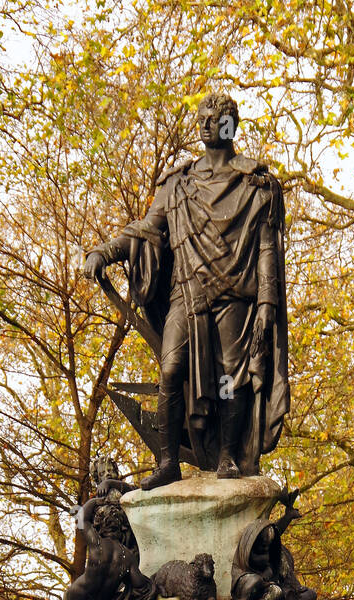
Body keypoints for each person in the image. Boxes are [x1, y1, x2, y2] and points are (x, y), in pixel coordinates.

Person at [85, 92, 289, 489]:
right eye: (202, 118)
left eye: (214, 119)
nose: (205, 124)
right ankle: (168, 462)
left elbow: (266, 248)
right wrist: (105, 252)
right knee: (171, 370)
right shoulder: (179, 184)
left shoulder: (256, 184)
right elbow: (146, 229)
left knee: (232, 377)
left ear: (230, 126)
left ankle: (228, 456)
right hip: (189, 290)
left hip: (235, 295)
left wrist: (266, 303)